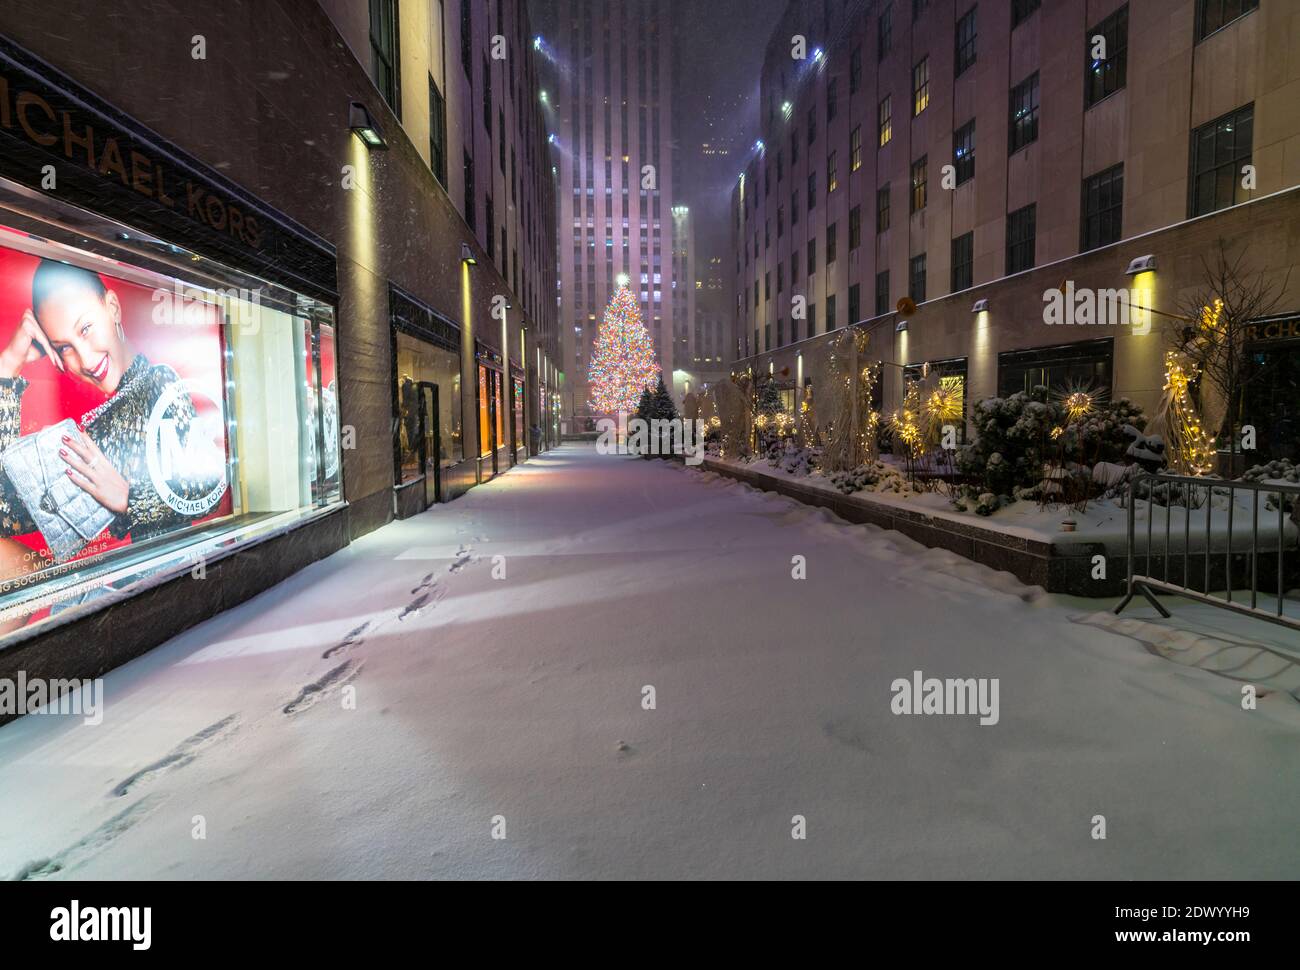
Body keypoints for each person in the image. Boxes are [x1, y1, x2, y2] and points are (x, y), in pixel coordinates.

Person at [0, 259, 221, 566]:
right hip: (126, 594)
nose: (86, 359)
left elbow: (206, 489)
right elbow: (6, 511)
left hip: (171, 588)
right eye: (64, 347)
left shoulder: (159, 383)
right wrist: (9, 365)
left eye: (86, 328)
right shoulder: (98, 425)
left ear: (113, 308)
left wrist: (128, 498)